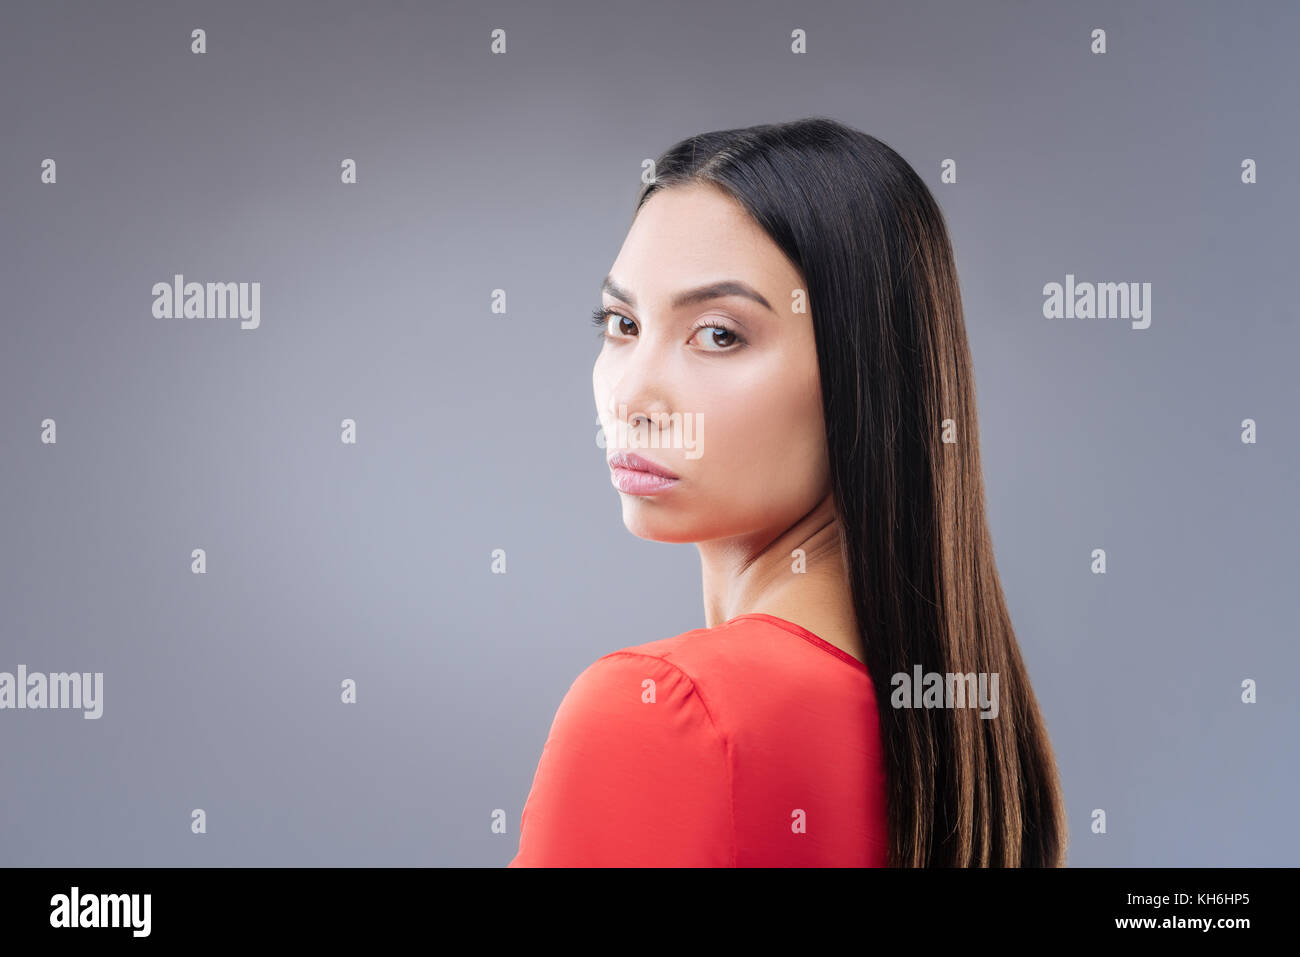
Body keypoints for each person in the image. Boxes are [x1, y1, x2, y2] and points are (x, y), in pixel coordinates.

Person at [510, 117, 1067, 867]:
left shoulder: (661, 713)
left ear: (864, 379)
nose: (632, 394)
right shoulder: (973, 747)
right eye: (622, 322)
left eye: (718, 334)